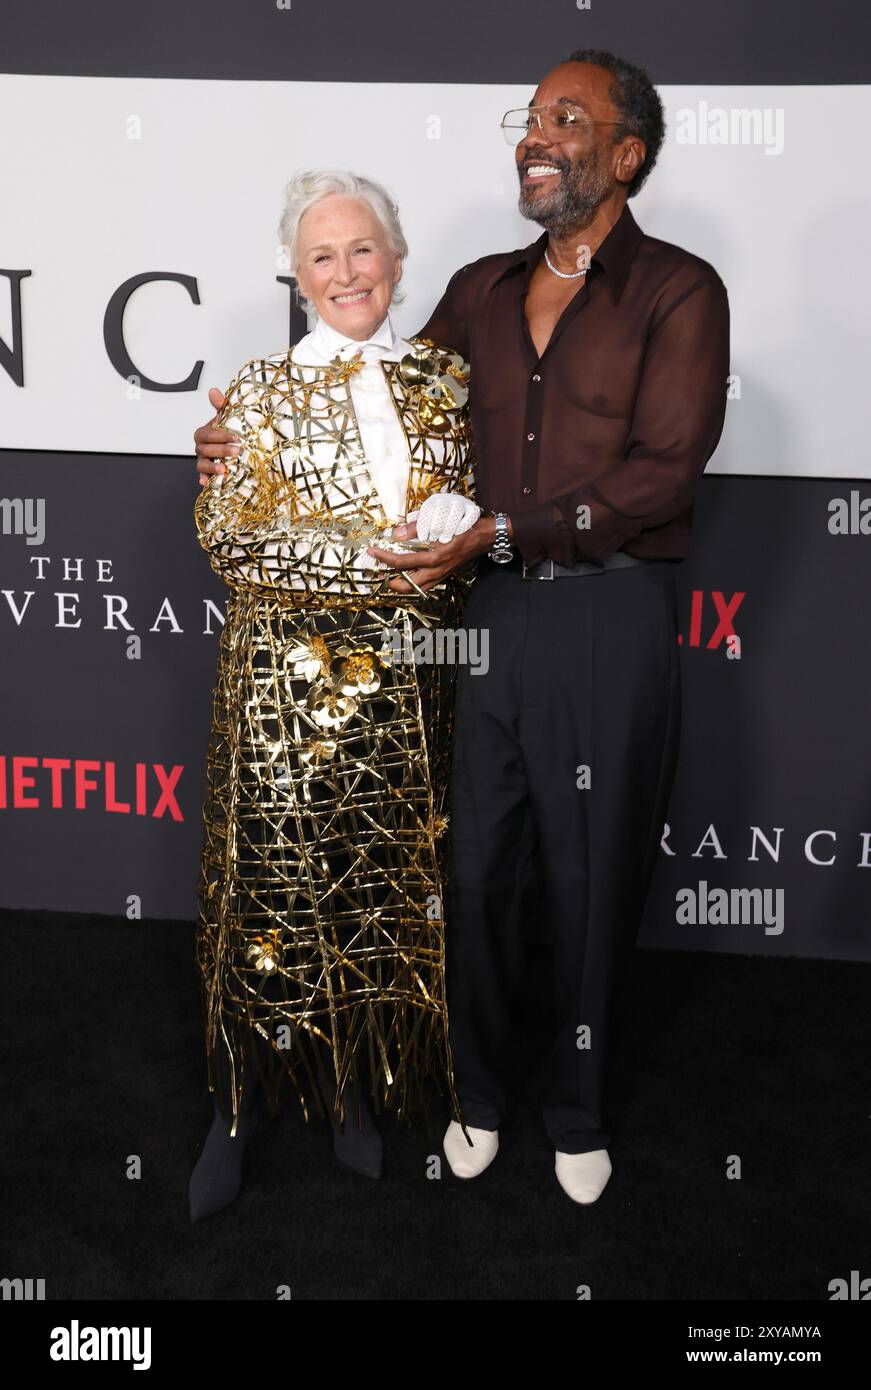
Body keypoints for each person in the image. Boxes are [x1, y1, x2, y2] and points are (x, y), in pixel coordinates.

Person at [196, 48, 730, 1207]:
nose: (534, 136)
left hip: (608, 608)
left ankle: (578, 1111)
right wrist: (242, 439)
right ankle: (478, 1096)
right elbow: (380, 396)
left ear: (626, 154)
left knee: (590, 879)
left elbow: (666, 469)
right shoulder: (481, 288)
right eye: (529, 117)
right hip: (483, 618)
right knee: (478, 866)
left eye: (566, 119)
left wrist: (501, 529)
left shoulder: (678, 290)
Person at [189, 170, 479, 1221]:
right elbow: (230, 538)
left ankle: (352, 1089)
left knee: (370, 896)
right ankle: (232, 1104)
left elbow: (478, 522)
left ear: (397, 261)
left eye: (363, 249)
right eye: (323, 255)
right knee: (264, 898)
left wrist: (454, 553)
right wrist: (377, 565)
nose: (346, 271)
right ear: (297, 274)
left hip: (404, 697)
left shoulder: (446, 381)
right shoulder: (256, 391)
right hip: (282, 691)